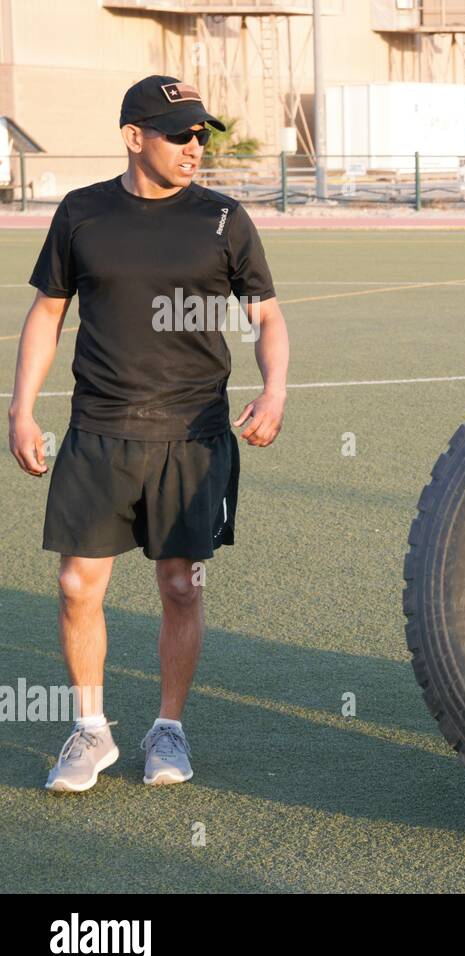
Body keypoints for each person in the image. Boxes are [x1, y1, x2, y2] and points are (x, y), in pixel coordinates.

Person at [7, 75, 289, 791]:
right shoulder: (81, 213)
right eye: (180, 134)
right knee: (76, 583)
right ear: (135, 137)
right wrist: (21, 408)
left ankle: (168, 728)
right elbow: (48, 314)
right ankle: (91, 730)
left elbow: (268, 316)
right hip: (100, 427)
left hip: (192, 436)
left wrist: (275, 388)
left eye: (202, 134)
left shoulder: (225, 220)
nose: (196, 147)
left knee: (180, 585)